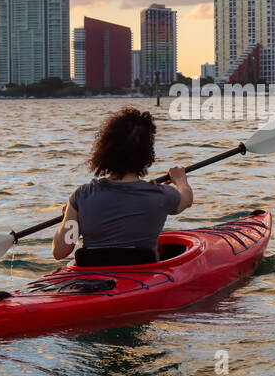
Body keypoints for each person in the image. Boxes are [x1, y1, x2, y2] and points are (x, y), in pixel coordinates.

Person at [52, 107, 193, 265]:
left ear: (104, 151)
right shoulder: (161, 195)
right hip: (142, 277)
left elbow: (61, 251)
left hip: (91, 280)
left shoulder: (82, 196)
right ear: (148, 155)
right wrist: (180, 180)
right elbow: (186, 199)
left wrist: (69, 216)